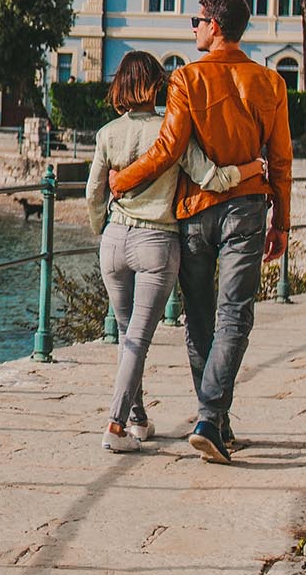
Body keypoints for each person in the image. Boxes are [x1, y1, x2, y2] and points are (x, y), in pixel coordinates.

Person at [108, 0, 291, 464]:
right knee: (235, 314)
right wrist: (283, 223)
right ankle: (213, 420)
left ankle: (212, 418)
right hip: (248, 209)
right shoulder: (270, 82)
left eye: (197, 21)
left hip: (194, 210)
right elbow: (281, 160)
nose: (193, 29)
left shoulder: (188, 77)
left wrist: (120, 181)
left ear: (214, 27)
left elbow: (169, 149)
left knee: (201, 319)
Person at [87, 51, 263, 453]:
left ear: (119, 88)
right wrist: (252, 169)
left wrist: (104, 230)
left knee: (126, 335)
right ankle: (115, 426)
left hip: (114, 240)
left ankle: (138, 420)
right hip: (156, 241)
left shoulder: (107, 133)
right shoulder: (172, 129)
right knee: (138, 338)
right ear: (156, 85)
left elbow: (93, 194)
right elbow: (212, 179)